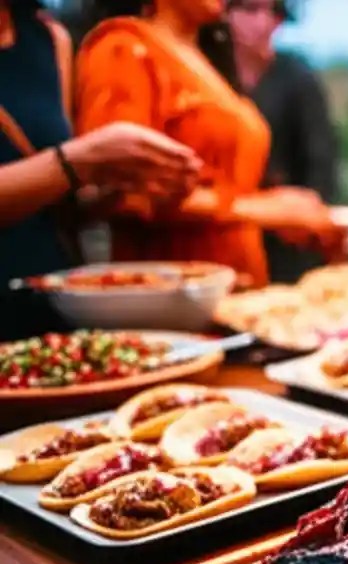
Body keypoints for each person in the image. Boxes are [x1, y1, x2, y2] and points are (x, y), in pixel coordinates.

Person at [76, 0, 344, 288]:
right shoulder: (124, 48)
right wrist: (262, 210)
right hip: (171, 299)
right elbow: (120, 193)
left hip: (236, 288)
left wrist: (284, 205)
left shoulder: (203, 57)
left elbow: (230, 183)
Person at [1, 0, 199, 340]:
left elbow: (60, 207)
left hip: (53, 318)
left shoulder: (47, 37)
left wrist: (123, 188)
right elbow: (66, 163)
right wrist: (79, 160)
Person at [227, 0, 341, 282]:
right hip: (226, 234)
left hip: (288, 241)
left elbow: (321, 162)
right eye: (250, 10)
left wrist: (305, 211)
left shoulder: (297, 78)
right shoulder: (207, 77)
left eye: (273, 12)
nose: (263, 23)